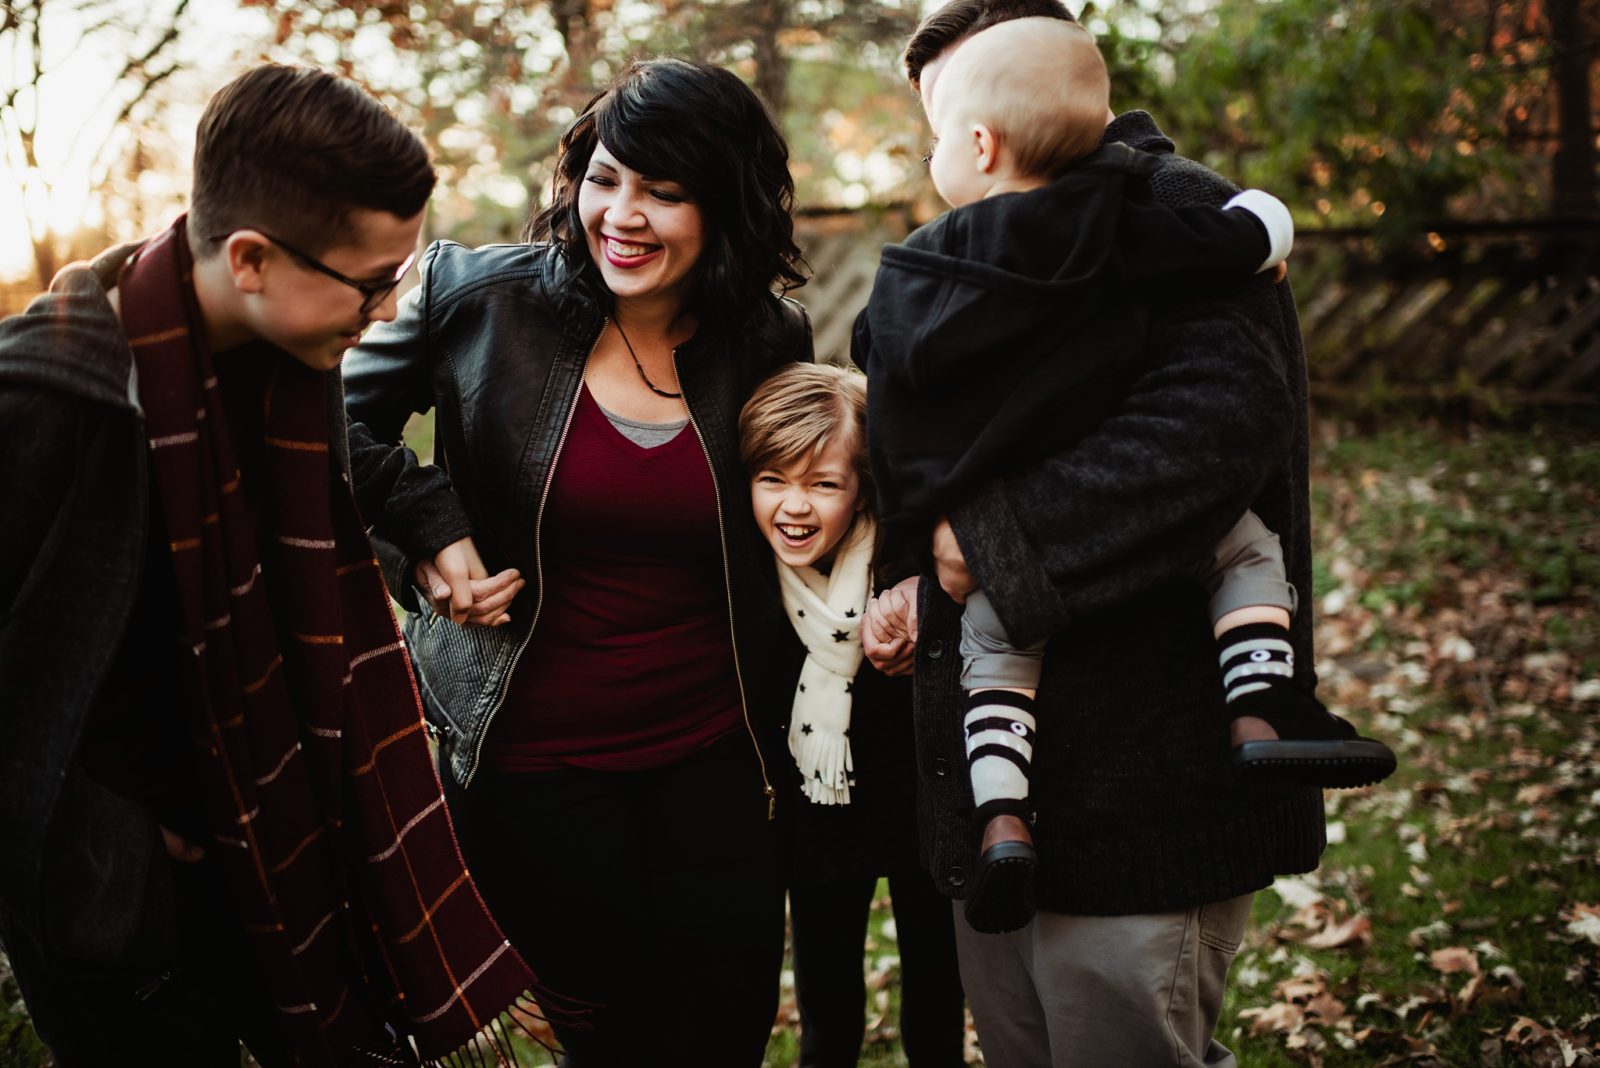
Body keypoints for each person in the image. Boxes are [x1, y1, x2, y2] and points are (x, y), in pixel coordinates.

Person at [0, 64, 564, 1067]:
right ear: (252, 257)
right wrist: (116, 835)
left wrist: (430, 526)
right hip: (116, 902)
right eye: (371, 281)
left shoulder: (278, 369)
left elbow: (363, 470)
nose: (390, 310)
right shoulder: (50, 402)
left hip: (271, 835)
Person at [857, 0, 1363, 1062]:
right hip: (1012, 791)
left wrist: (982, 543)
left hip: (1142, 787)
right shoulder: (996, 237)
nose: (941, 145)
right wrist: (904, 568)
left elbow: (1215, 427)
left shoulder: (1163, 214)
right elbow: (935, 431)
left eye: (947, 113)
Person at [342, 58, 813, 1066]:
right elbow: (316, 421)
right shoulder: (476, 298)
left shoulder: (766, 338)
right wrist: (422, 523)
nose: (622, 215)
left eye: (663, 191)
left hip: (718, 757)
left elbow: (809, 496)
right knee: (610, 1034)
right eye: (605, 179)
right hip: (530, 761)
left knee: (721, 1031)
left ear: (725, 204)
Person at [738, 363, 967, 1068]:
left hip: (920, 796)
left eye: (823, 484)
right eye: (772, 480)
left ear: (864, 486)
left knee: (937, 988)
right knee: (827, 1004)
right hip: (818, 808)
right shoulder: (746, 572)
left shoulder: (903, 563)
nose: (793, 507)